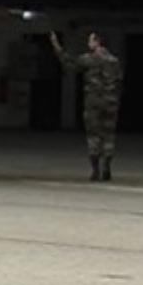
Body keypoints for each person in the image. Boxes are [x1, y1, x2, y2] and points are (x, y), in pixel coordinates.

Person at [50, 30, 122, 181]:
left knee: (93, 135)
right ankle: (107, 167)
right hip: (111, 102)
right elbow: (119, 82)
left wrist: (56, 45)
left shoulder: (90, 59)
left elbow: (68, 62)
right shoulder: (114, 61)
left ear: (97, 42)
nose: (88, 44)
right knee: (108, 136)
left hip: (94, 101)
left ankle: (95, 170)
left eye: (91, 41)